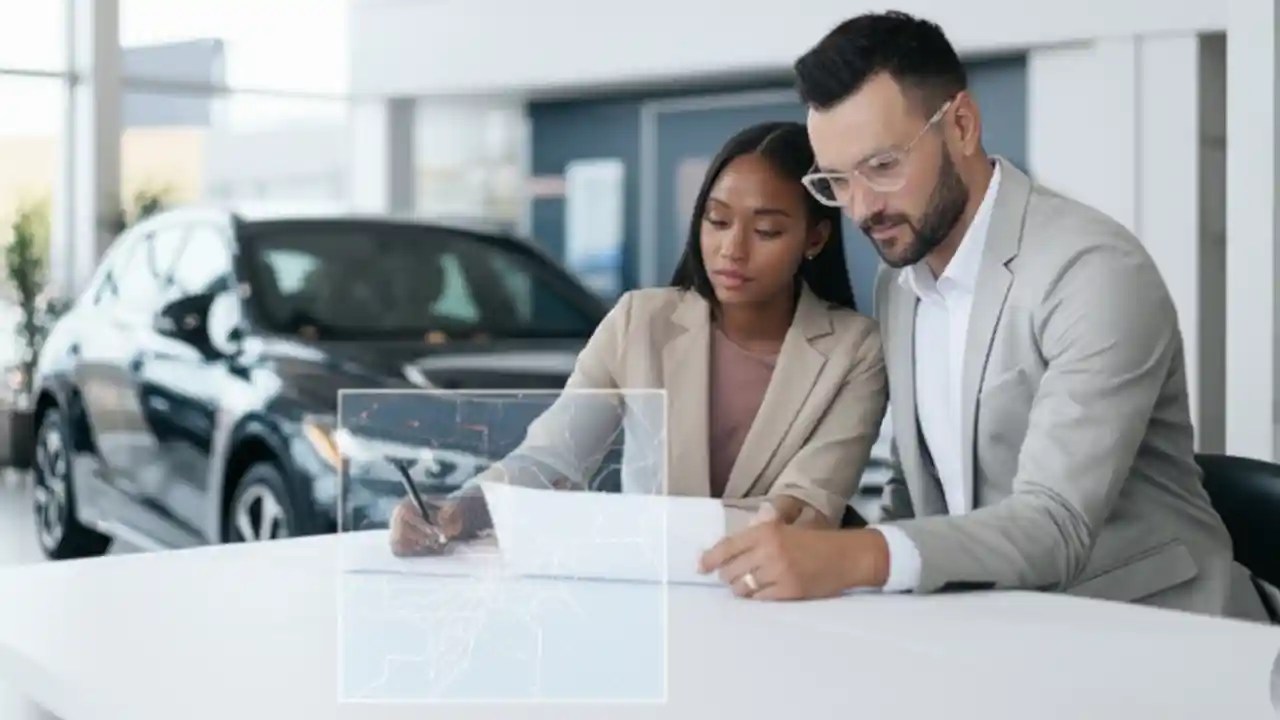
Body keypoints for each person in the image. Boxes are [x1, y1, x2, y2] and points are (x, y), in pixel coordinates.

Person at [699, 11, 1268, 621]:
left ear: (963, 125)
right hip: (1005, 629)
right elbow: (917, 492)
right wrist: (820, 528)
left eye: (883, 166)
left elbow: (1055, 525)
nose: (861, 207)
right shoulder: (901, 284)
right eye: (836, 181)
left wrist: (850, 558)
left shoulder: (1092, 271)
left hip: (1163, 634)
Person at [390, 121, 888, 556]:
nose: (732, 249)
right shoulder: (639, 321)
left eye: (767, 231)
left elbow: (807, 508)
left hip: (772, 601)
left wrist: (641, 525)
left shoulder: (854, 351)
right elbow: (552, 454)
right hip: (648, 597)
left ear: (815, 238)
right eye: (716, 221)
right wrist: (464, 509)